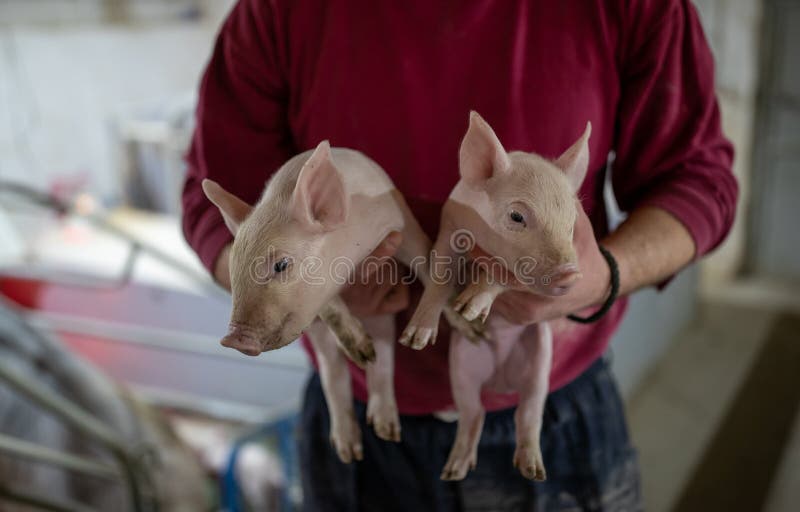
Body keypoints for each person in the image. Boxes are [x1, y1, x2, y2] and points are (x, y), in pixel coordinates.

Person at [181, 1, 737, 510]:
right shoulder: (277, 13)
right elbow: (215, 206)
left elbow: (697, 178)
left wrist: (604, 275)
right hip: (355, 416)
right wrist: (314, 284)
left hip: (552, 409)